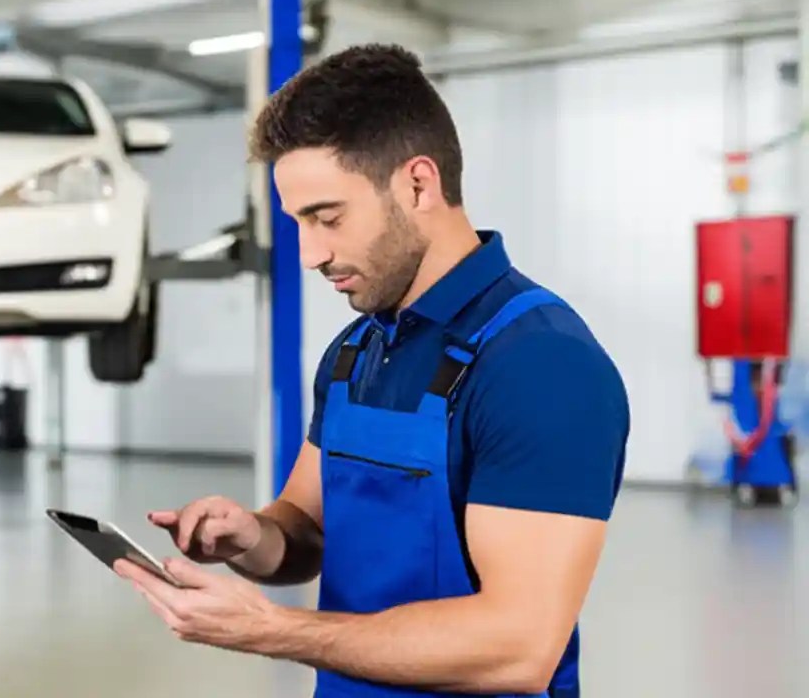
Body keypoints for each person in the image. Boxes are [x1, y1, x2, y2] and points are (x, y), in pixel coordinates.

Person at [112, 43, 629, 698]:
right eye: (298, 223)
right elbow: (305, 530)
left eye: (327, 218)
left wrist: (271, 629)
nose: (310, 254)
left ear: (418, 185)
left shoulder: (542, 365)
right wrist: (249, 536)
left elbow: (518, 648)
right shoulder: (355, 350)